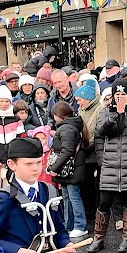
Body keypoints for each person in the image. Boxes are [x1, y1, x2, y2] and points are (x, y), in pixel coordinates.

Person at [94, 81, 127, 252]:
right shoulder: (105, 112)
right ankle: (98, 238)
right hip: (110, 164)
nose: (120, 97)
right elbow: (101, 132)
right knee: (104, 202)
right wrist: (114, 115)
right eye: (117, 95)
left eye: (123, 94)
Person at [48, 101, 88, 238]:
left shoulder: (66, 128)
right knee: (67, 196)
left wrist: (55, 167)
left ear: (58, 115)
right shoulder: (71, 126)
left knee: (73, 197)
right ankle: (69, 225)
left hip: (71, 168)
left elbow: (67, 150)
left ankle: (80, 225)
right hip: (71, 169)